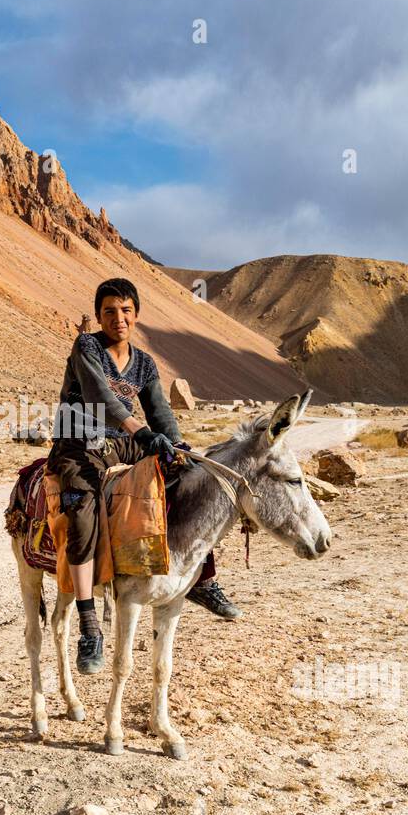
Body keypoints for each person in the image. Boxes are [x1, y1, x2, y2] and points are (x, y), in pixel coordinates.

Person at [48, 278, 240, 675]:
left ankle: (203, 578)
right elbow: (99, 397)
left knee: (190, 482)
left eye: (125, 311)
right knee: (81, 511)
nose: (118, 319)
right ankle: (89, 627)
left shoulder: (145, 363)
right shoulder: (87, 347)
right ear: (99, 316)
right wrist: (141, 432)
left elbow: (160, 412)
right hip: (79, 443)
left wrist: (178, 446)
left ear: (135, 314)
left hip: (125, 442)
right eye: (109, 312)